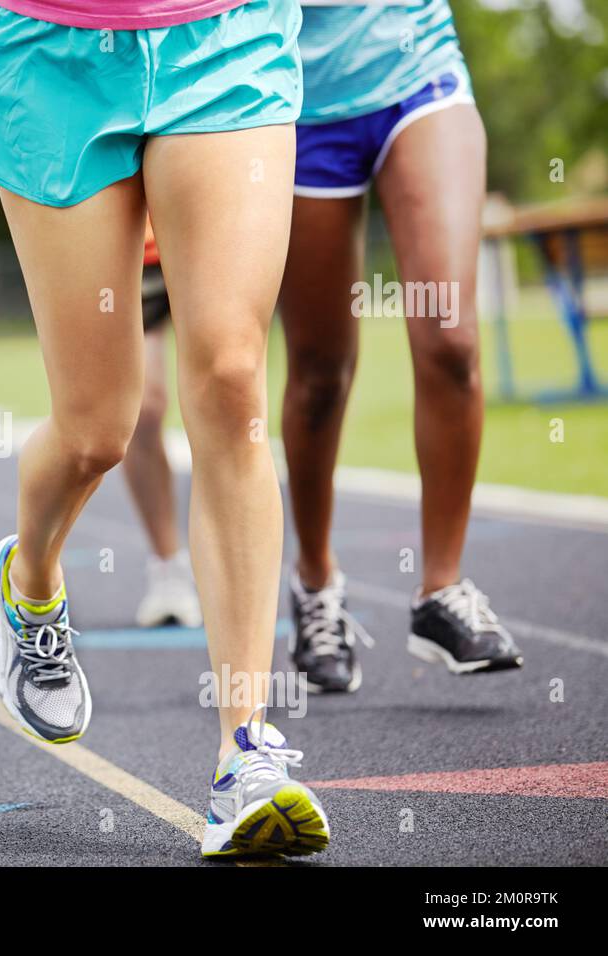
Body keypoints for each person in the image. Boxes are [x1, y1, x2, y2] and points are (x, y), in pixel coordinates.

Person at [0, 0, 331, 856]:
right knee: (97, 430)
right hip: (49, 50)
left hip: (223, 34)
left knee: (232, 378)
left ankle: (244, 754)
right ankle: (31, 579)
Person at [280, 0, 523, 694]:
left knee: (451, 339)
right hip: (292, 99)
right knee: (320, 373)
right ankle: (316, 583)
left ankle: (441, 589)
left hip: (417, 71)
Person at [120, 219, 202, 629]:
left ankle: (234, 572)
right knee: (144, 408)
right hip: (136, 247)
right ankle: (168, 567)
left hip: (207, 227)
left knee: (227, 399)